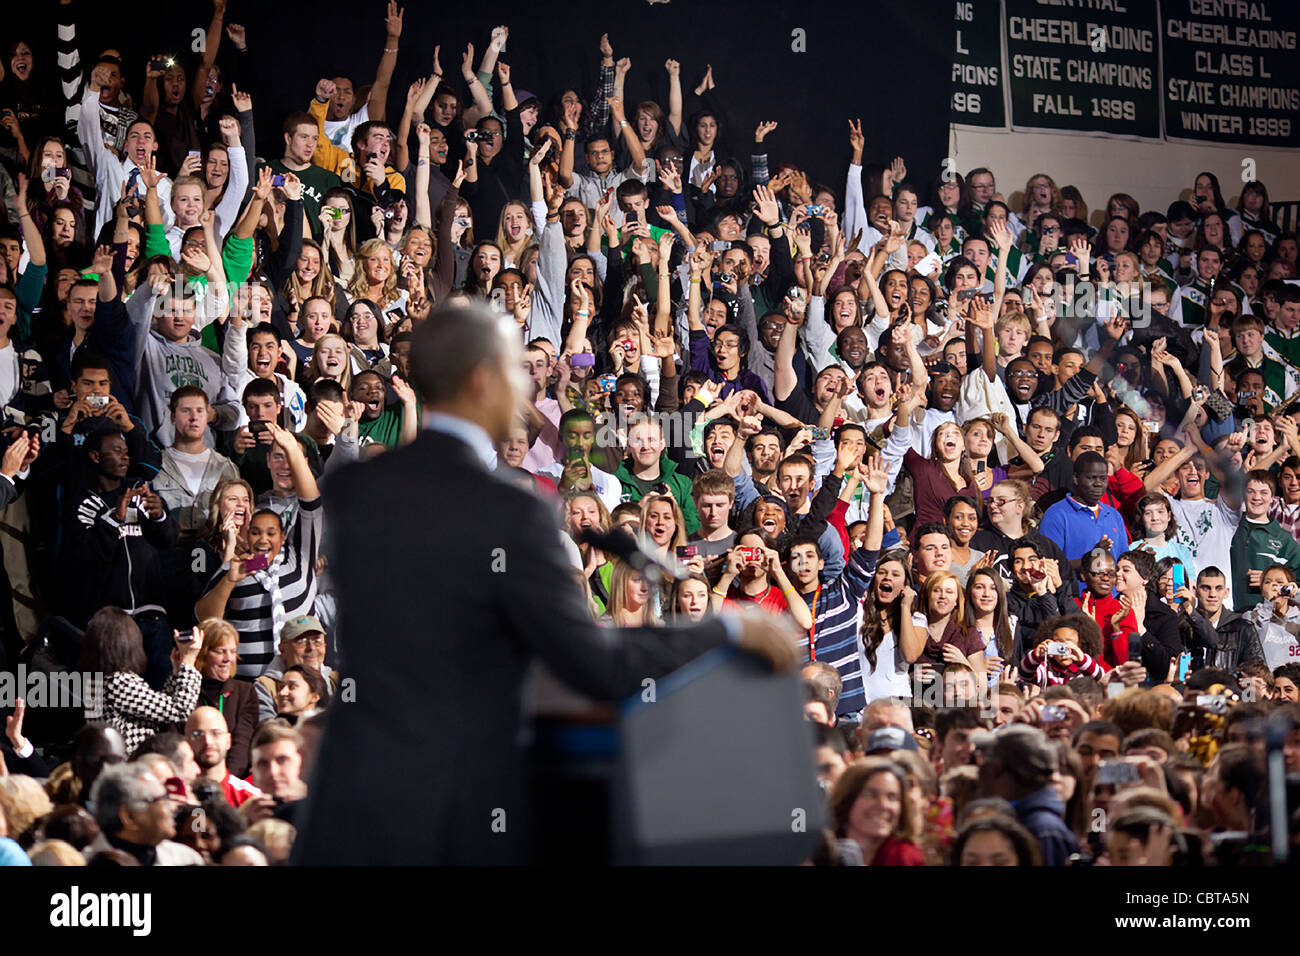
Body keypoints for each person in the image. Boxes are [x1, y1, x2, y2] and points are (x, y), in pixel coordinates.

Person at [294, 301, 797, 865]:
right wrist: (729, 630)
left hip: (349, 808)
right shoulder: (508, 510)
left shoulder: (360, 491)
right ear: (483, 379)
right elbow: (591, 663)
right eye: (515, 370)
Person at [976, 724, 1078, 866]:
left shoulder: (1043, 831)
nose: (979, 770)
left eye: (985, 760)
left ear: (995, 769)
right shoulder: (1021, 819)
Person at [84, 762, 204, 866]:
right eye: (162, 800)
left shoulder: (185, 859)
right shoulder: (82, 863)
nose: (173, 807)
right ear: (129, 817)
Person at [827, 758, 925, 866]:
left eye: (892, 797)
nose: (883, 805)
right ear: (847, 801)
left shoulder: (907, 859)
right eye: (870, 795)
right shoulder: (819, 854)